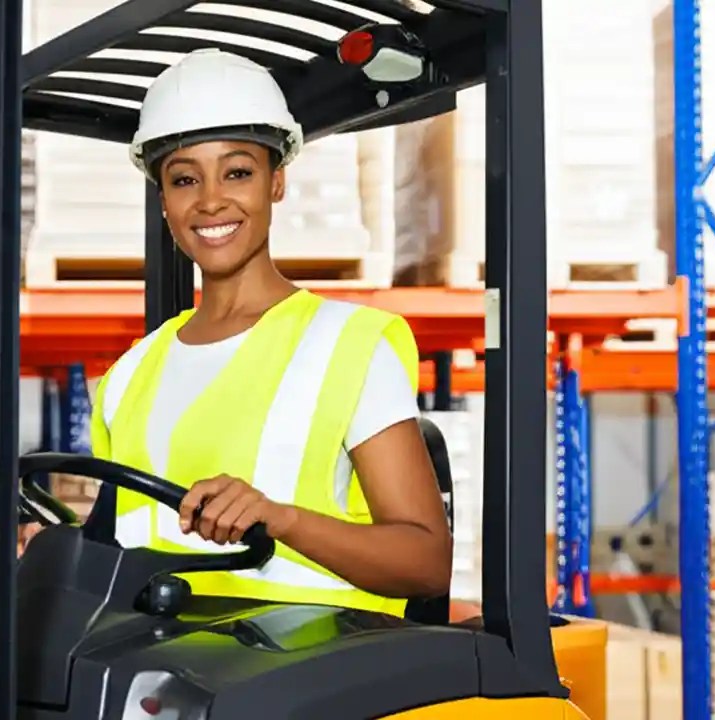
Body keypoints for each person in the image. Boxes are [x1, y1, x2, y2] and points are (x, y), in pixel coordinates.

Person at [23, 48, 451, 616]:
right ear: (164, 202)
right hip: (160, 666)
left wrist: (282, 518)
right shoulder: (129, 374)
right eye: (184, 179)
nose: (211, 200)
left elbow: (424, 563)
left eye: (238, 171)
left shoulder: (348, 345)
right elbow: (125, 537)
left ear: (277, 182)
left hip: (315, 670)